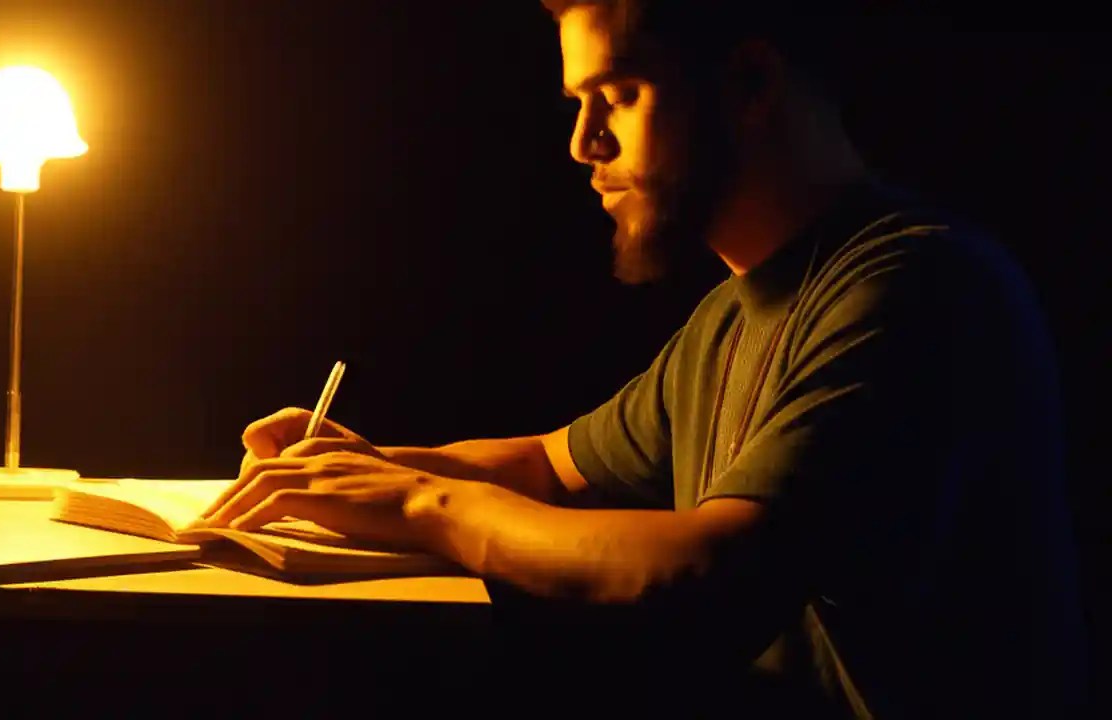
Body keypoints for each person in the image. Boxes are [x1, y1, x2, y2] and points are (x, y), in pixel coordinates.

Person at [195, 2, 1087, 717]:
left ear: (749, 82)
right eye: (579, 104)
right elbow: (550, 464)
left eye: (617, 95)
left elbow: (709, 571)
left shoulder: (918, 286)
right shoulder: (731, 315)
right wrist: (361, 468)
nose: (583, 143)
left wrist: (426, 504)